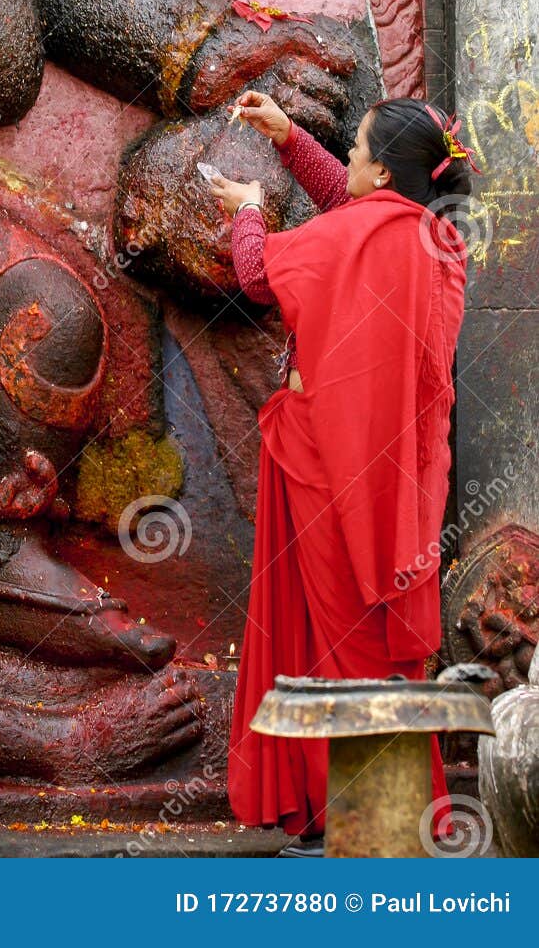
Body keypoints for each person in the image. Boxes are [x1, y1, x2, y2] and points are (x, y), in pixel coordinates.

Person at [209, 92, 477, 852]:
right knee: (358, 635)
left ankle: (370, 813)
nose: (348, 160)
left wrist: (250, 207)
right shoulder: (434, 239)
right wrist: (290, 139)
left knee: (335, 641)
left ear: (384, 169)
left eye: (354, 148)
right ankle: (347, 807)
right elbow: (356, 208)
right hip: (397, 481)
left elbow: (259, 275)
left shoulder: (362, 230)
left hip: (327, 468)